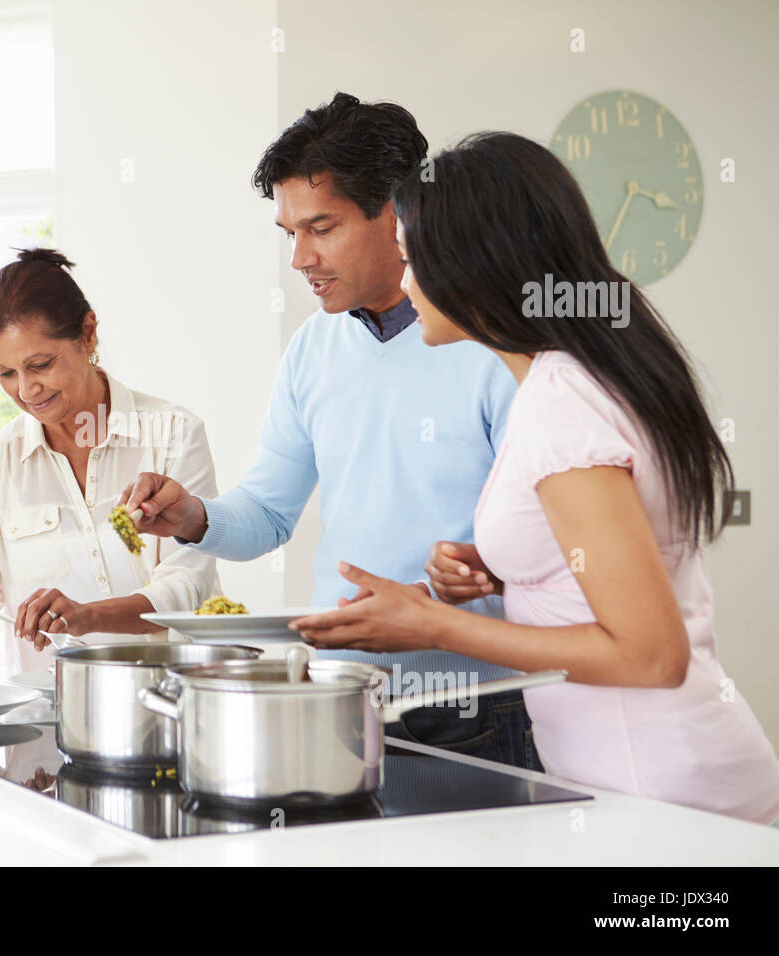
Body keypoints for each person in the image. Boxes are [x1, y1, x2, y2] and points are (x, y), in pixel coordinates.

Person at [291, 131, 779, 824]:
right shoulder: (585, 375)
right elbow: (613, 566)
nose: (405, 285)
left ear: (471, 266)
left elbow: (650, 656)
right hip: (655, 785)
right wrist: (508, 572)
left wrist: (433, 624)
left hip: (662, 797)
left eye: (412, 261)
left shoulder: (561, 402)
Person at [119, 93, 538, 769]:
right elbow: (266, 514)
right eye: (289, 233)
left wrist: (478, 575)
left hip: (475, 703)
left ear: (399, 216)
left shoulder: (497, 347)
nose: (300, 259)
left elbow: (555, 547)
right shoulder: (314, 347)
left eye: (321, 228)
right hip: (337, 695)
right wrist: (193, 517)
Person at [0, 248, 220, 703]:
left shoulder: (173, 434)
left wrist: (87, 617)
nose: (26, 391)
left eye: (40, 365)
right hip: (52, 720)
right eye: (6, 373)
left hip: (176, 708)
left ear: (87, 334)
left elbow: (188, 585)